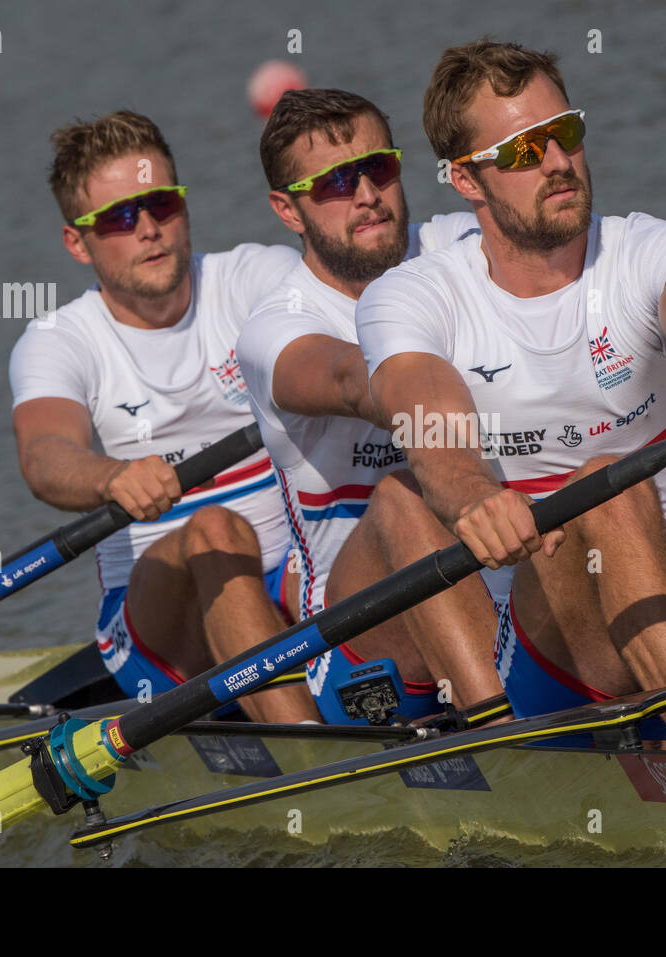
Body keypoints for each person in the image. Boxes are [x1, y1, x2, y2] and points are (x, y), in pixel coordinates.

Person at [355, 40, 666, 742]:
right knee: (609, 488)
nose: (556, 161)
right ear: (467, 181)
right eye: (520, 150)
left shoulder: (655, 248)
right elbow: (429, 417)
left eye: (563, 133)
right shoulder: (413, 297)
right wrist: (475, 496)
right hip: (559, 643)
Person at [9, 110, 318, 723]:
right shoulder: (60, 339)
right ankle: (317, 758)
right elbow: (45, 455)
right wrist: (108, 478)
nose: (149, 228)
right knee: (213, 530)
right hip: (159, 628)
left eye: (162, 204)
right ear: (78, 242)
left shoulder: (258, 275)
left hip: (299, 577)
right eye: (121, 217)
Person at [237, 89, 502, 725]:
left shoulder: (463, 243)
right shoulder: (277, 330)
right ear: (289, 210)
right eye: (333, 183)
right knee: (405, 495)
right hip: (359, 642)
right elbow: (356, 380)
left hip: (497, 565)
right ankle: (505, 732)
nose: (365, 195)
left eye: (377, 167)